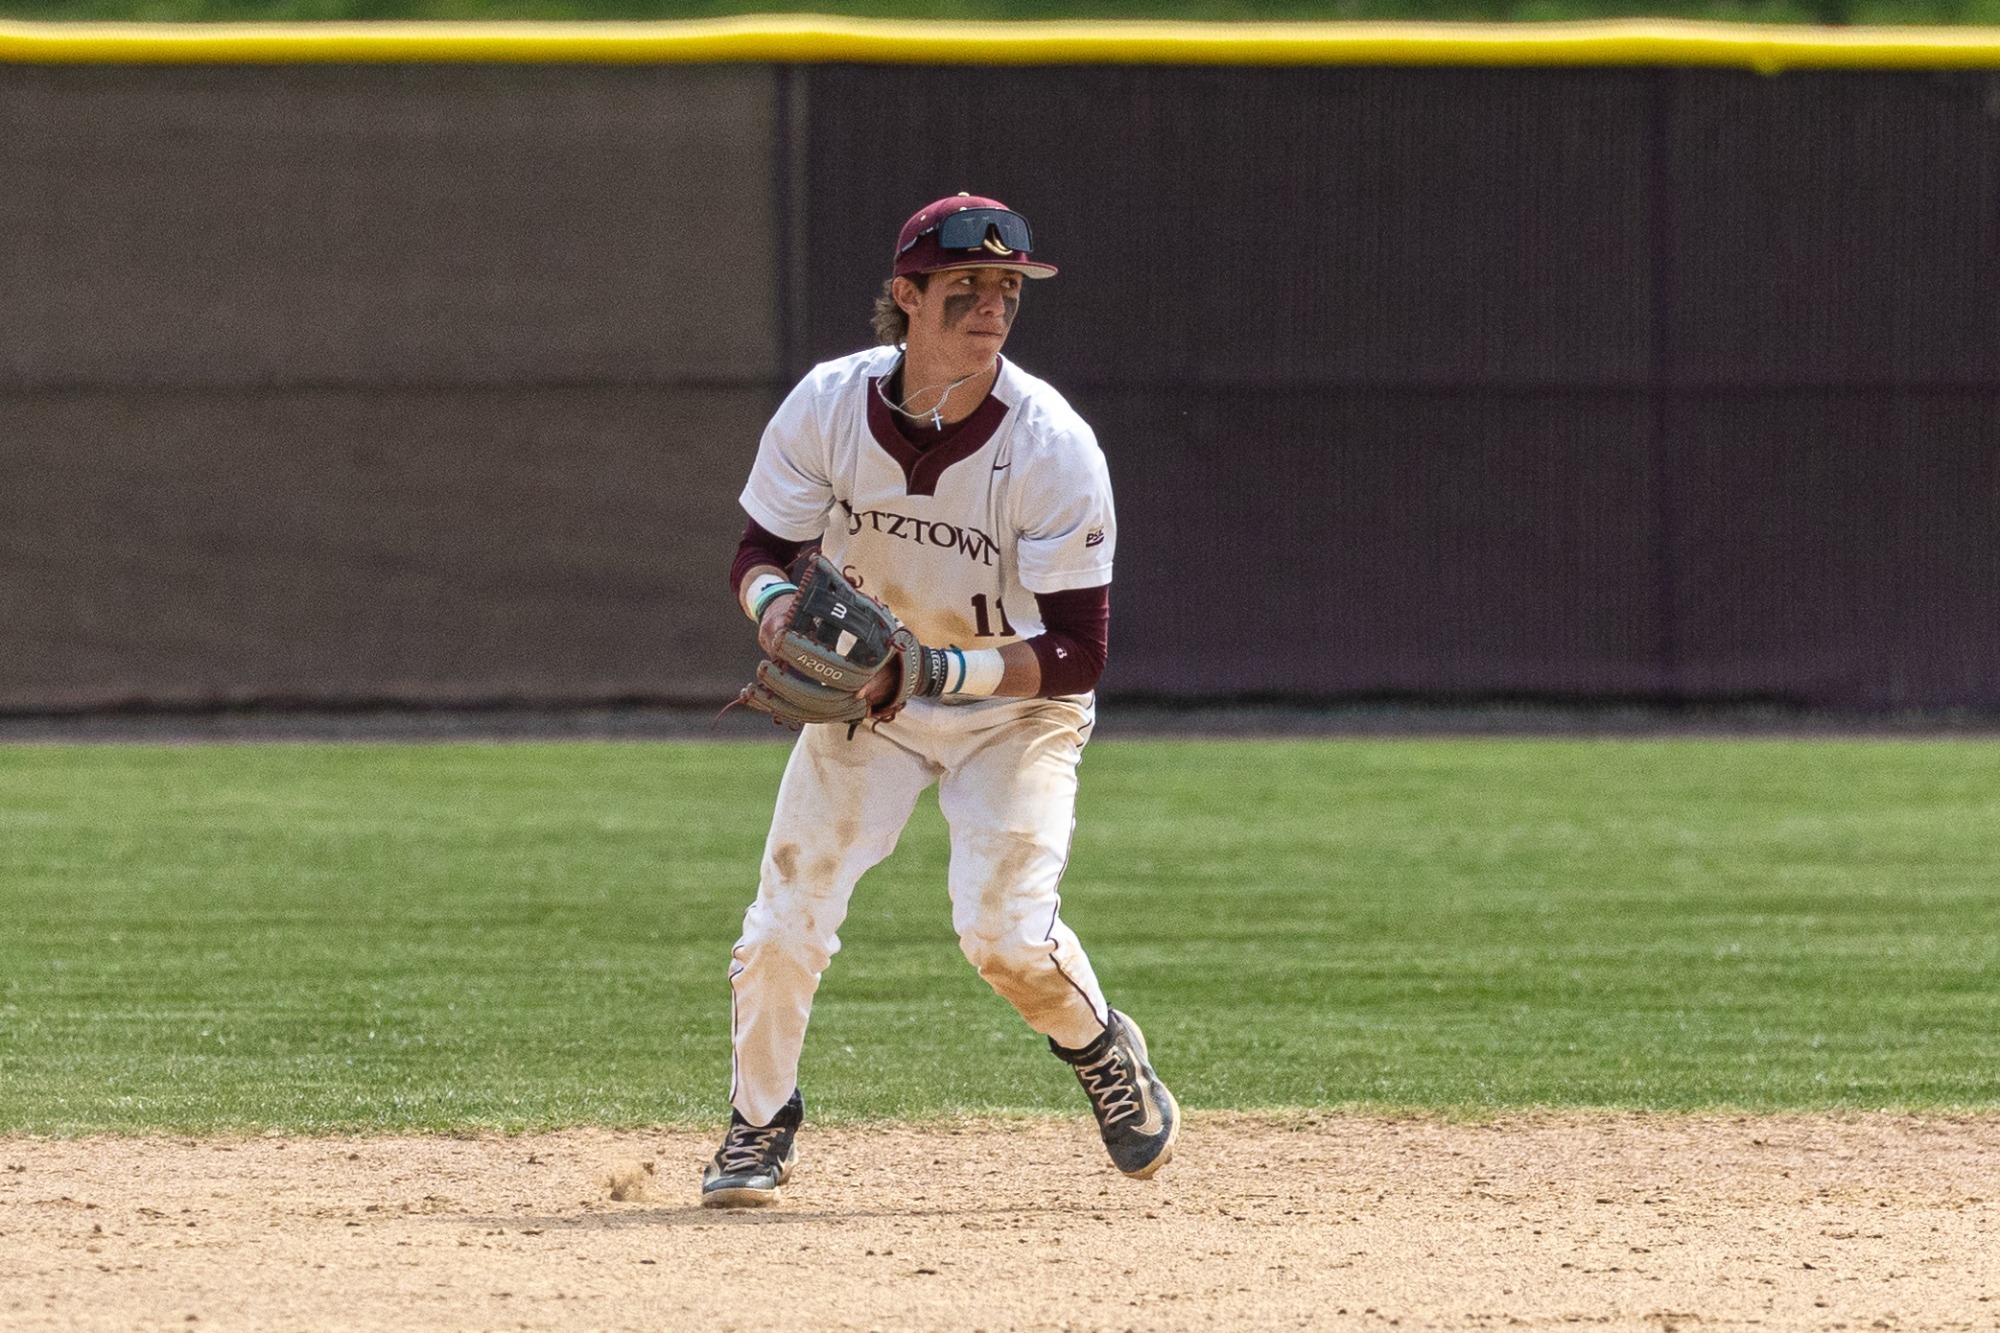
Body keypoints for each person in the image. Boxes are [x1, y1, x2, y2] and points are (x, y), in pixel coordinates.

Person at [701, 193, 1178, 1208]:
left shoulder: (1050, 446)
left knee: (1004, 935)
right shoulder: (829, 405)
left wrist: (925, 672)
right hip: (870, 704)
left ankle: (1097, 1045)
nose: (991, 308)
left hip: (1014, 711)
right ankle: (757, 1123)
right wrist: (778, 608)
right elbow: (757, 552)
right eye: (965, 288)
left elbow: (1079, 651)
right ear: (906, 297)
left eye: (1007, 289)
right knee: (784, 922)